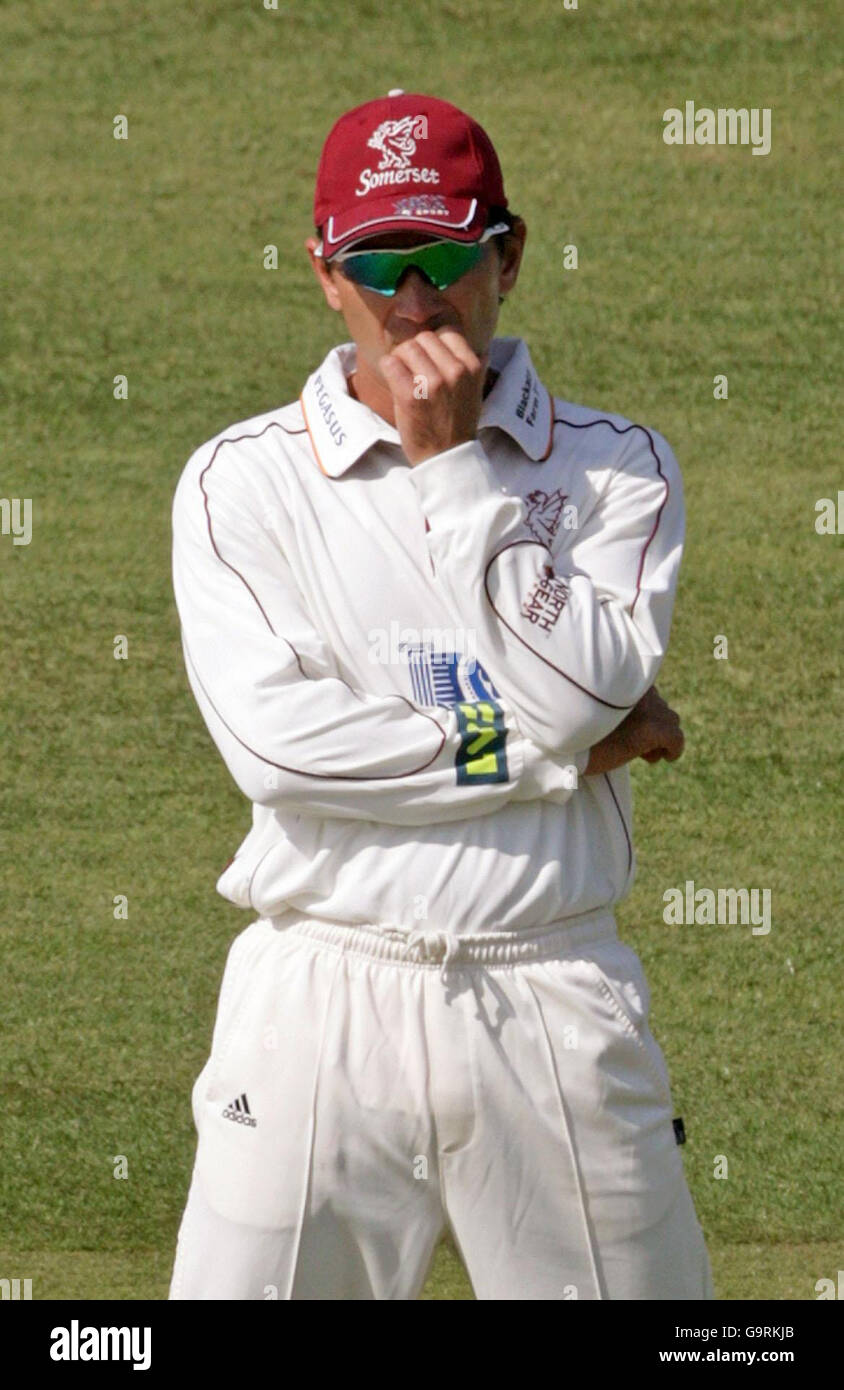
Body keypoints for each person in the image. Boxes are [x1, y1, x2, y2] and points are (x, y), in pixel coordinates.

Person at [168, 89, 713, 1300]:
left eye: (446, 257)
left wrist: (457, 471)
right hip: (317, 1002)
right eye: (380, 262)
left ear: (506, 255)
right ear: (325, 273)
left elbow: (574, 690)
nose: (415, 302)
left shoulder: (620, 467)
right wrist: (548, 759)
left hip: (552, 998)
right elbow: (281, 756)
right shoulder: (237, 484)